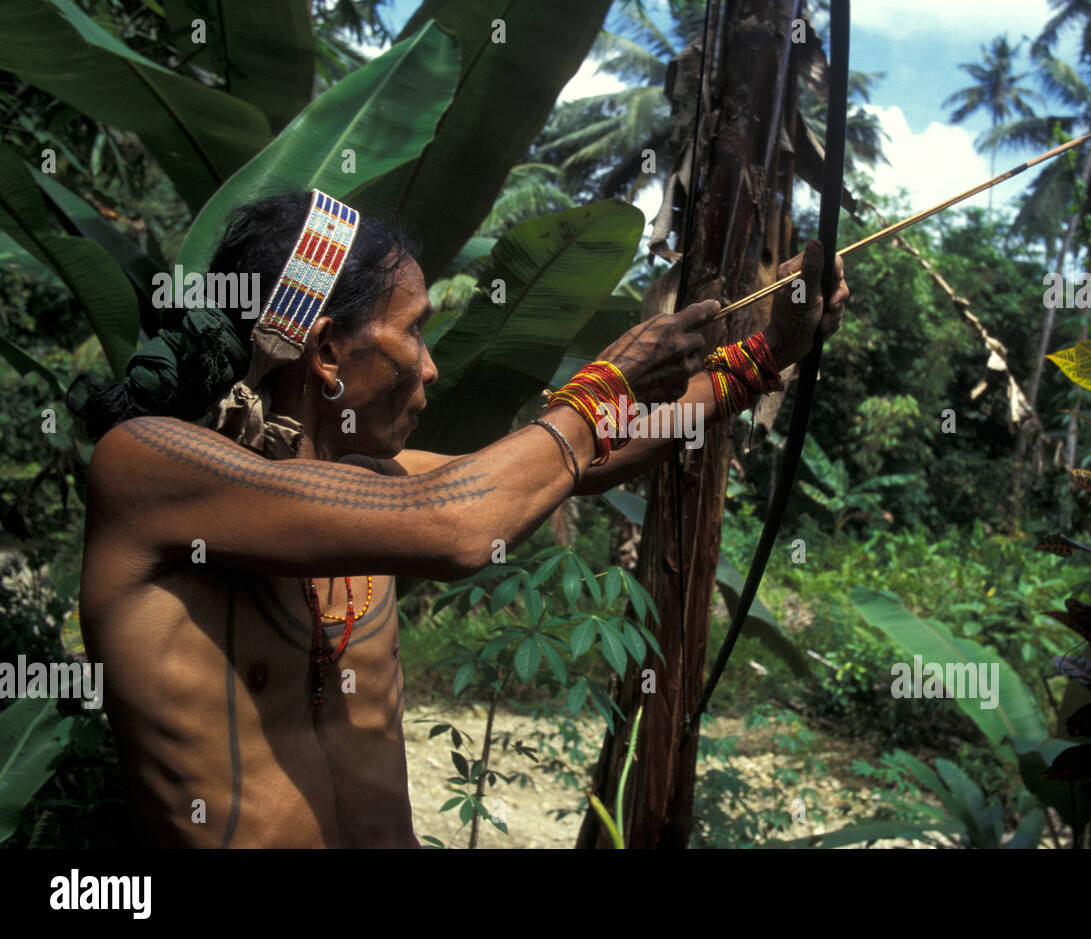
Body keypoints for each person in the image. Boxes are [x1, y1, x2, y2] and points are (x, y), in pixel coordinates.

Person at [76, 188, 848, 847]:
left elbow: (595, 459)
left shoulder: (376, 484)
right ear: (328, 354)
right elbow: (464, 528)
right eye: (413, 328)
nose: (433, 363)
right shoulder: (147, 469)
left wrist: (766, 354)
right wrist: (607, 384)